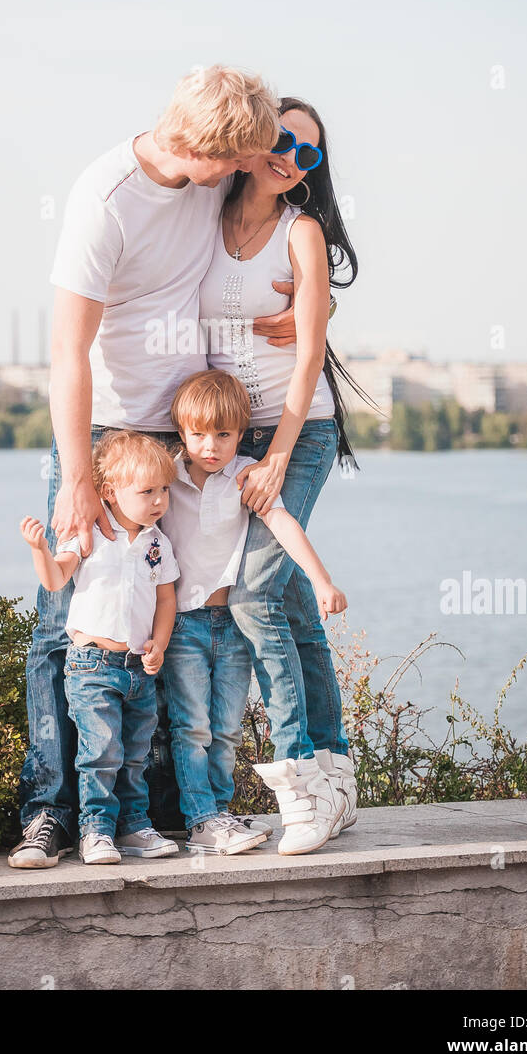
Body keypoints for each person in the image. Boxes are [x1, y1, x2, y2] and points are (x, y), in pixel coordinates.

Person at [9, 65, 289, 869]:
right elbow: (65, 352)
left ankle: (143, 812)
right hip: (105, 432)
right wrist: (76, 475)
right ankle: (49, 811)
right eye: (233, 161)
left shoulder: (216, 179)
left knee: (174, 611)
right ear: (201, 146)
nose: (238, 174)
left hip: (183, 430)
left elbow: (269, 209)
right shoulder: (105, 199)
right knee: (66, 622)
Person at [198, 96, 366, 853]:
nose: (292, 156)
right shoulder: (204, 217)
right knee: (292, 603)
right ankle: (337, 771)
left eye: (309, 154)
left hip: (299, 434)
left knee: (257, 594)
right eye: (284, 139)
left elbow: (309, 359)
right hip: (232, 435)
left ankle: (299, 780)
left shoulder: (302, 231)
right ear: (256, 138)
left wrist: (274, 454)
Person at [160, 368, 349, 855]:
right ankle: (200, 816)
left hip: (230, 627)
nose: (210, 445)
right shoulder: (167, 479)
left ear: (241, 434)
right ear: (182, 433)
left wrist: (322, 580)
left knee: (226, 729)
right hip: (183, 626)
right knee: (191, 726)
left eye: (223, 434)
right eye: (199, 434)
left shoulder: (245, 475)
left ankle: (220, 813)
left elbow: (284, 525)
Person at [13, 430, 180, 866]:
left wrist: (159, 644)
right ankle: (96, 830)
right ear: (109, 492)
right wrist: (39, 550)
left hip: (138, 669)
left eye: (165, 489)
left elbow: (166, 599)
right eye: (147, 491)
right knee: (100, 752)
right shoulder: (88, 533)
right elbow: (55, 580)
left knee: (136, 755)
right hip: (91, 666)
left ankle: (134, 826)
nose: (160, 500)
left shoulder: (157, 543)